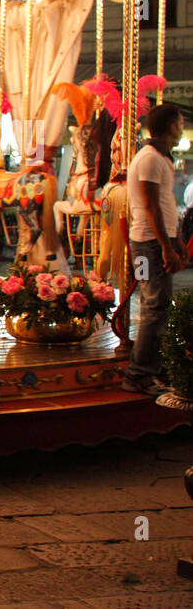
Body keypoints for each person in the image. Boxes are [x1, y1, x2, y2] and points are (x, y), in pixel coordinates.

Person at [124, 101, 187, 396]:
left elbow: (165, 204)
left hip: (155, 241)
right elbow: (150, 206)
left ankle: (153, 367)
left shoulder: (161, 158)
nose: (182, 124)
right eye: (179, 120)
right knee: (153, 307)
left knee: (157, 306)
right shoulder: (148, 158)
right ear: (170, 126)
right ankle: (138, 374)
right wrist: (166, 246)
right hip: (146, 244)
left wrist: (175, 241)